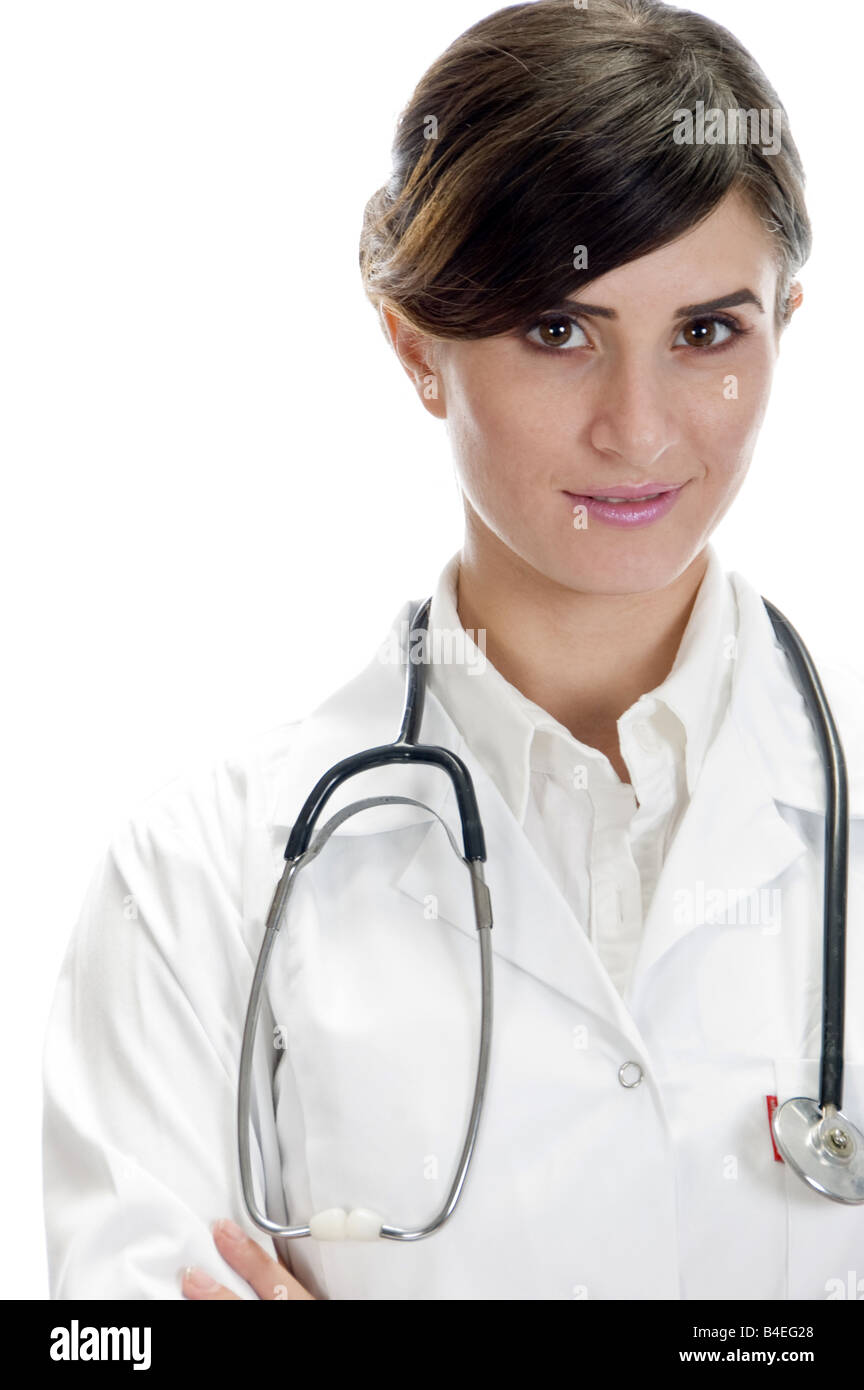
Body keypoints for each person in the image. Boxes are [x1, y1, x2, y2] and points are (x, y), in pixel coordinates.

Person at [42, 0, 864, 1301]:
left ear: (786, 323)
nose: (640, 431)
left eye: (707, 332)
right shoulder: (197, 884)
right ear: (416, 346)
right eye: (557, 331)